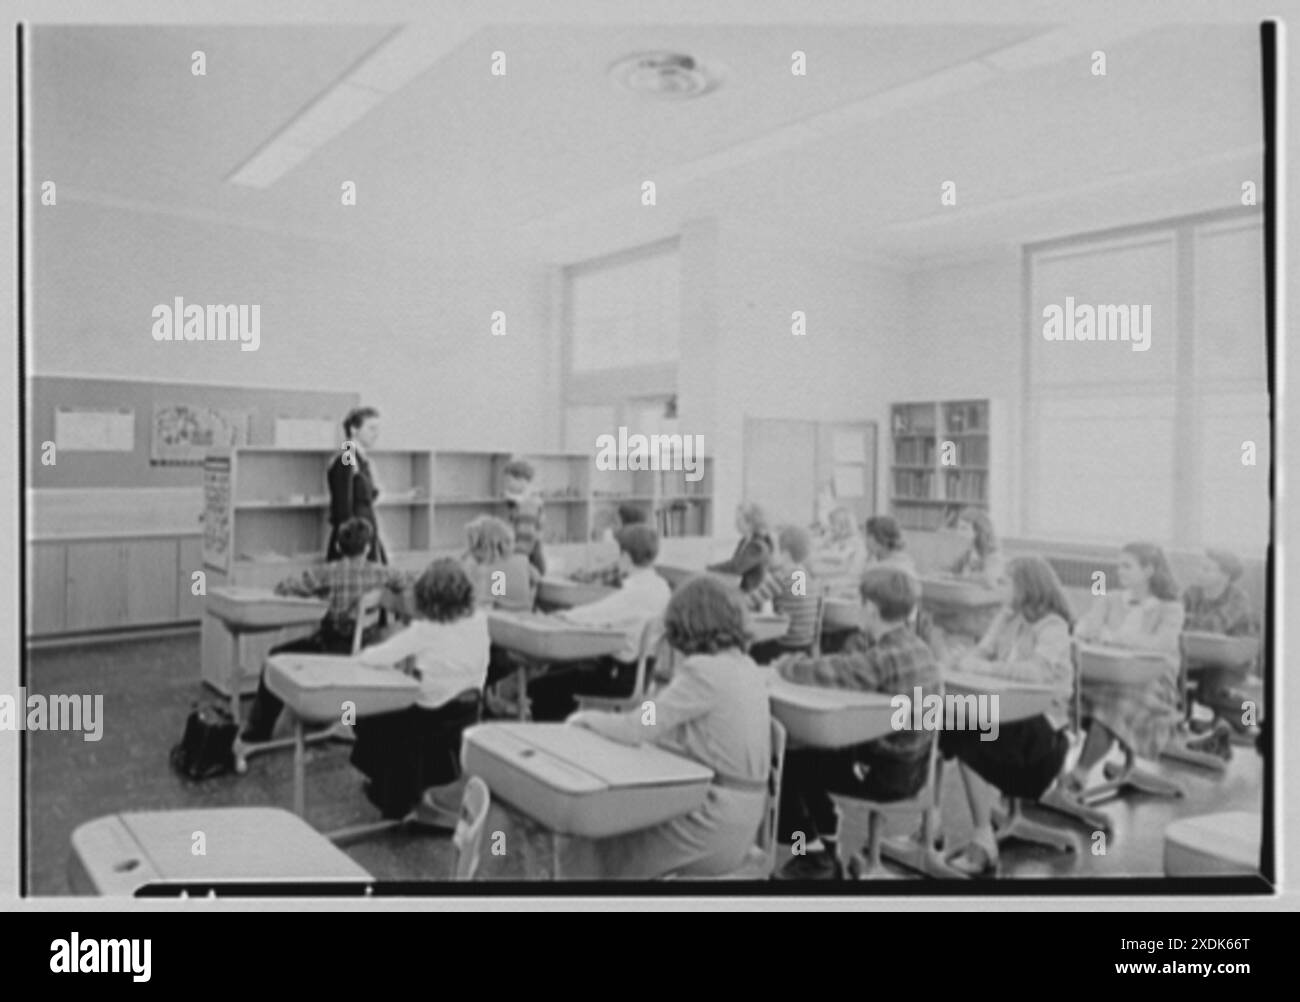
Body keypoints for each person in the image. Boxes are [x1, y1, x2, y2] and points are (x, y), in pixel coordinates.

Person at [562, 576, 772, 878]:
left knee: (599, 838)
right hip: (742, 819)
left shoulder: (703, 671)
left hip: (712, 821)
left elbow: (638, 726)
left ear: (685, 626)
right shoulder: (745, 667)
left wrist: (586, 718)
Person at [772, 566, 940, 880]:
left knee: (788, 763)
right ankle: (826, 846)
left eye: (858, 602)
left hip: (884, 773)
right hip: (915, 769)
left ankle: (808, 852)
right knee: (808, 755)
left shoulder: (883, 658)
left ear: (871, 610)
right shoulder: (920, 649)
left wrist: (785, 666)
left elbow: (832, 671)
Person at [939, 556, 1074, 876]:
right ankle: (928, 827)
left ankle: (984, 839)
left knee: (967, 738)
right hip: (1002, 717)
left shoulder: (1053, 626)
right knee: (944, 726)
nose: (999, 588)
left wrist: (984, 668)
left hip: (1041, 734)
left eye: (1005, 583)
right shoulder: (1007, 617)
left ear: (1027, 587)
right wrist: (964, 659)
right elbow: (983, 651)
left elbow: (1037, 673)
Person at [235, 518, 409, 748]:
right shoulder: (382, 573)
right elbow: (406, 583)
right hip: (366, 646)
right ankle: (345, 719)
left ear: (338, 547)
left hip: (332, 646)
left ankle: (256, 733)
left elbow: (287, 587)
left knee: (274, 659)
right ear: (368, 547)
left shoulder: (329, 572)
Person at [350, 559, 490, 818]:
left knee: (361, 714)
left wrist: (356, 658)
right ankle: (396, 788)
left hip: (429, 716)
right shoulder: (480, 620)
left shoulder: (425, 630)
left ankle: (391, 795)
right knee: (398, 722)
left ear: (426, 596)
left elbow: (374, 658)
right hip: (468, 712)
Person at [1047, 542, 1184, 803]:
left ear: (1148, 570)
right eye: (1119, 565)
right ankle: (1051, 770)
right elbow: (1084, 628)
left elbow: (1161, 645)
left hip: (1149, 683)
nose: (1119, 571)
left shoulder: (1170, 608)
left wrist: (1113, 638)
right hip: (1103, 674)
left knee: (1117, 704)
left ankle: (1079, 773)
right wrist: (1094, 633)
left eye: (1127, 565)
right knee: (1060, 692)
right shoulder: (1110, 599)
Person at [526, 525, 671, 721]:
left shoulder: (633, 594)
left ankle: (555, 738)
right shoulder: (660, 587)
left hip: (620, 675)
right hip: (641, 672)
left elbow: (593, 615)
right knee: (555, 670)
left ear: (626, 558)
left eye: (617, 555)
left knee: (540, 684)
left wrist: (553, 616)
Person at [1181, 549, 1260, 757]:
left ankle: (1249, 712)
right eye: (1200, 567)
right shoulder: (1192, 593)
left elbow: (1214, 625)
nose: (1200, 572)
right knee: (1171, 678)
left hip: (1232, 660)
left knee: (1209, 692)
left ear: (1224, 575)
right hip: (1198, 656)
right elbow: (1173, 619)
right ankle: (1189, 723)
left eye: (1207, 569)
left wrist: (1187, 621)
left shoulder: (1238, 599)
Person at [746, 525, 821, 665]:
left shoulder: (783, 577)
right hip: (805, 646)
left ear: (785, 553)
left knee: (750, 649)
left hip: (786, 646)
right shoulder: (805, 575)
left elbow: (749, 601)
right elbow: (797, 603)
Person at [327, 406, 385, 563]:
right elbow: (343, 506)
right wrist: (351, 545)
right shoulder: (348, 457)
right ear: (354, 429)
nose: (376, 434)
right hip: (353, 545)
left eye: (377, 429)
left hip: (365, 534)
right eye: (371, 428)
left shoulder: (360, 459)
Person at [462, 515, 538, 612]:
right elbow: (536, 579)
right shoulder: (522, 560)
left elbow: (494, 601)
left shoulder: (487, 569)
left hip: (502, 617)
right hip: (525, 611)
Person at [571, 504, 649, 586]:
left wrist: (580, 576)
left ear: (628, 528)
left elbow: (601, 579)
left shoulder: (627, 558)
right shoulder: (637, 552)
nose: (611, 527)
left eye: (615, 522)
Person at [708, 502, 774, 593]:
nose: (735, 523)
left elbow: (736, 567)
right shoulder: (744, 541)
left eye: (739, 520)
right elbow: (734, 563)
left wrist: (709, 569)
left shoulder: (758, 546)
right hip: (741, 590)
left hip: (751, 596)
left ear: (750, 523)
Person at [501, 457, 546, 576]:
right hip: (526, 562)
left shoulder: (528, 505)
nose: (507, 485)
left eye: (509, 480)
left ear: (522, 481)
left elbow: (524, 544)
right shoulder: (524, 502)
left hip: (527, 563)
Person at [810, 506, 868, 590]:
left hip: (848, 580)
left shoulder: (854, 541)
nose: (830, 527)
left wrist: (818, 555)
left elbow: (840, 557)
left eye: (832, 524)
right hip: (837, 576)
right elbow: (818, 547)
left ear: (844, 526)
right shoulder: (838, 539)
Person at [948, 508, 1005, 587]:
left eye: (964, 528)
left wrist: (962, 577)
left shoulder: (993, 556)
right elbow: (952, 572)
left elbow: (991, 582)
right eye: (958, 528)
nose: (958, 533)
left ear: (978, 531)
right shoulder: (968, 553)